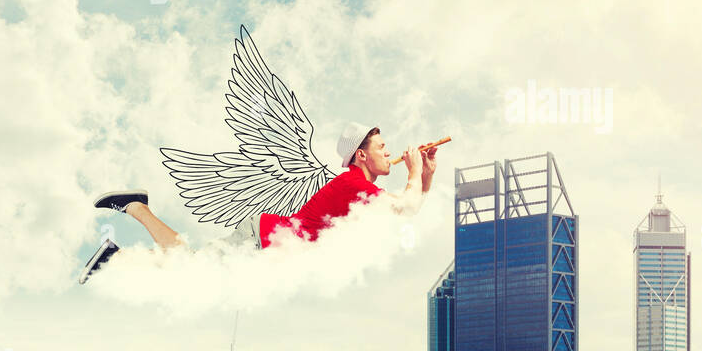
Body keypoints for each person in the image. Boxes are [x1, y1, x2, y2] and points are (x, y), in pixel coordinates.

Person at [77, 122, 437, 284]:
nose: (389, 152)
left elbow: (406, 209)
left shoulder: (361, 186)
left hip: (264, 246)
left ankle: (117, 255)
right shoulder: (352, 183)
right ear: (361, 156)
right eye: (381, 148)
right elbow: (406, 207)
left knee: (191, 275)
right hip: (261, 240)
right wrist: (415, 171)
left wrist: (426, 175)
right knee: (190, 269)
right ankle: (136, 210)